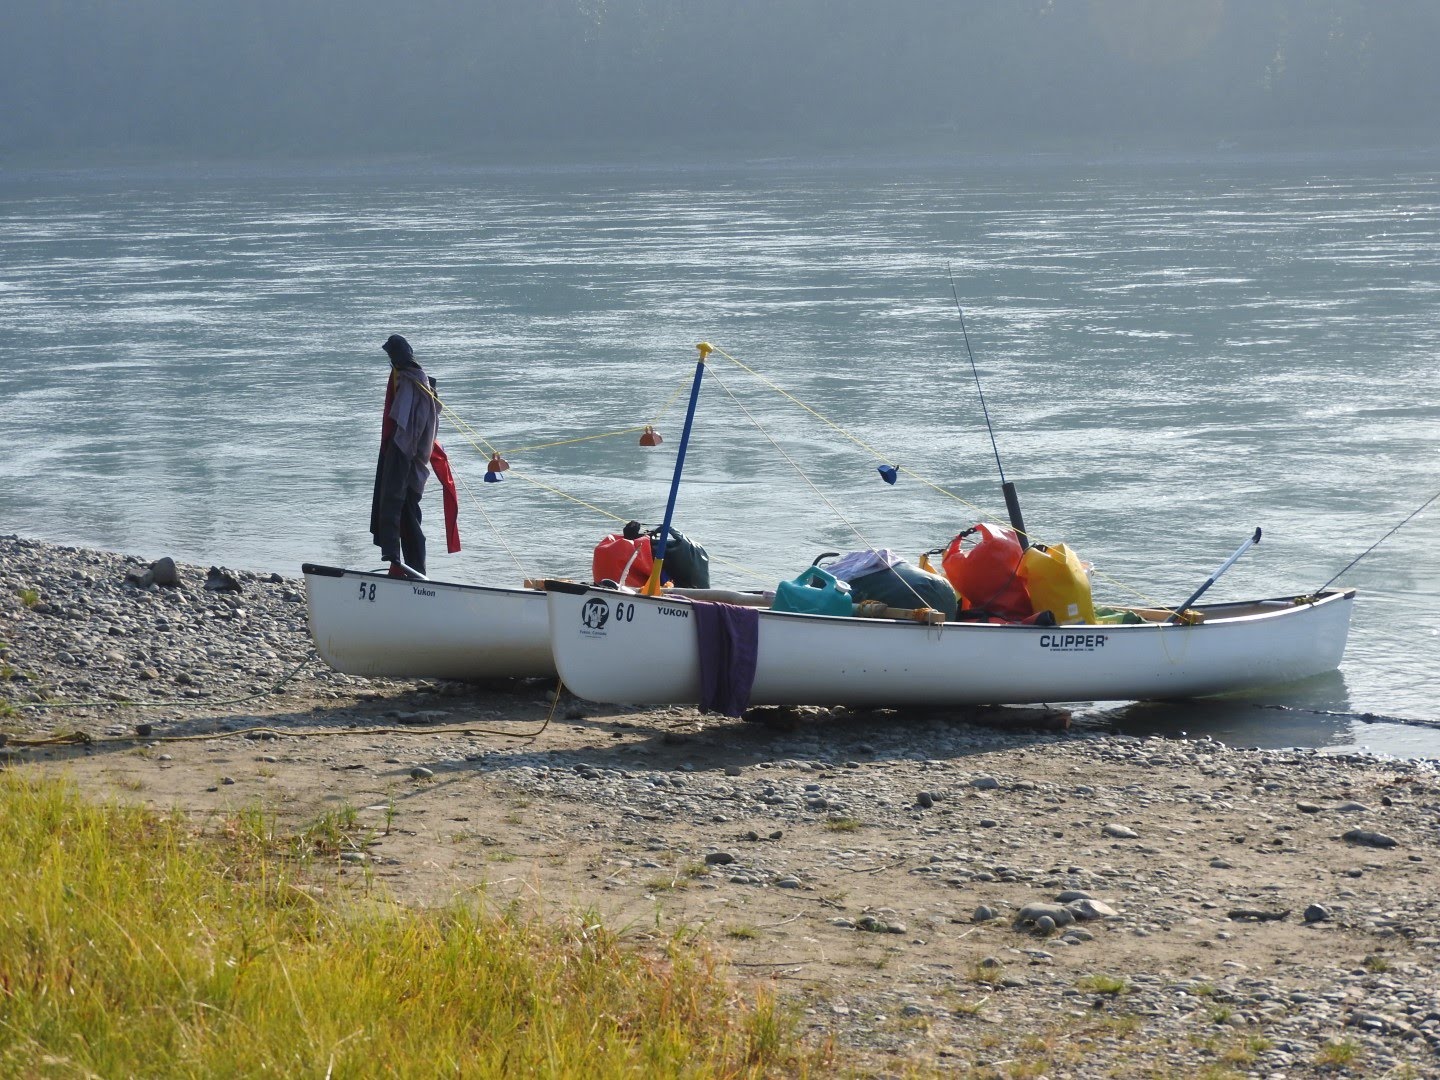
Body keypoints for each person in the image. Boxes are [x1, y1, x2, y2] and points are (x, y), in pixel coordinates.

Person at [370, 334, 460, 578]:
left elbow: (411, 425)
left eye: (391, 355)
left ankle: (412, 570)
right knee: (402, 510)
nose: (390, 360)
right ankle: (401, 567)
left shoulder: (412, 380)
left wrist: (402, 456)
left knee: (401, 507)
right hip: (403, 454)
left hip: (405, 456)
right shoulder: (407, 376)